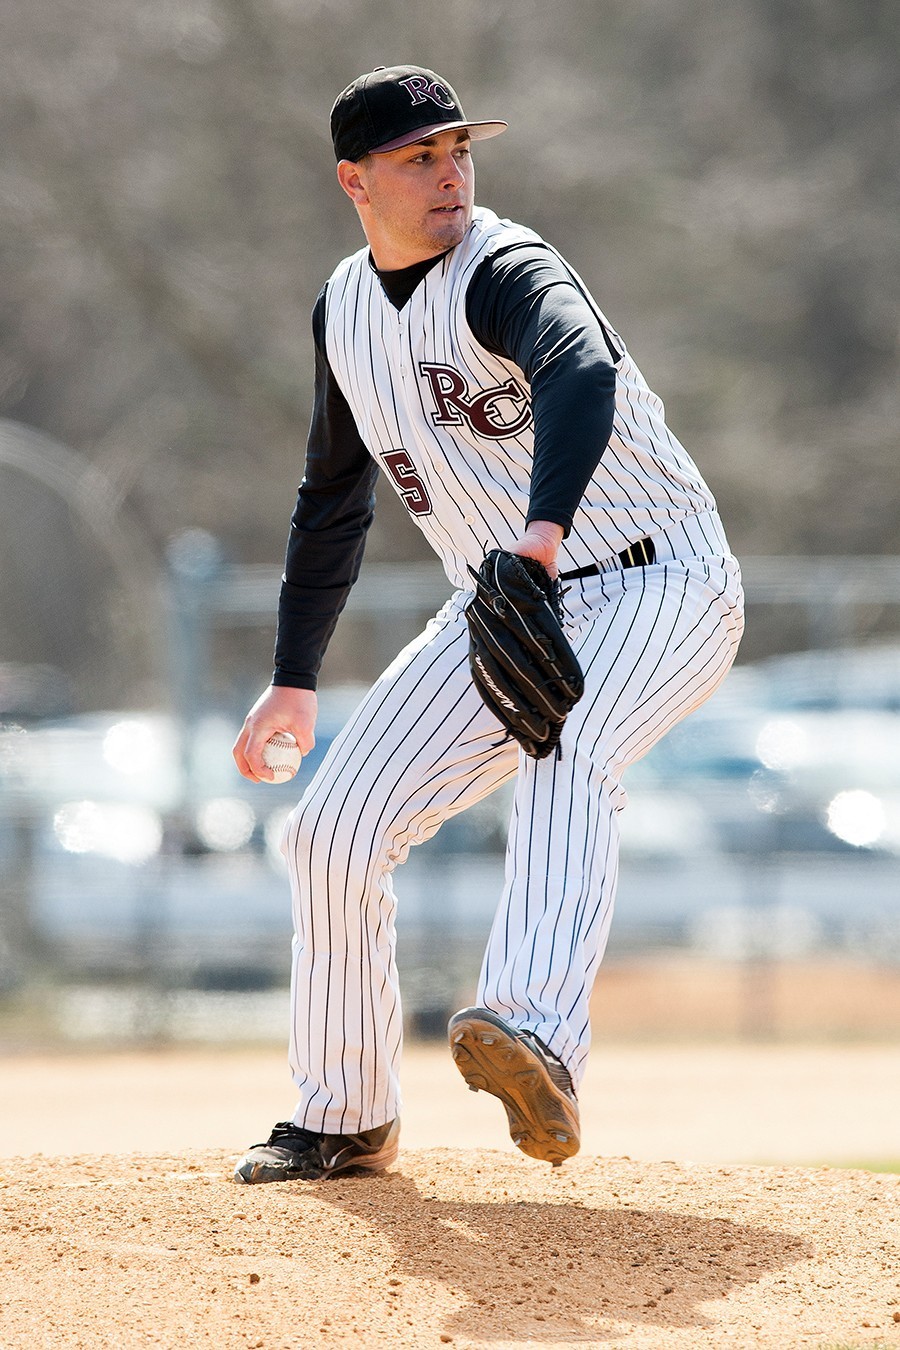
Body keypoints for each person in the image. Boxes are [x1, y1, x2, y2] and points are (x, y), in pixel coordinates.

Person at [231, 64, 745, 1184]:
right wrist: (294, 676)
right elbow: (333, 499)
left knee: (566, 739)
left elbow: (579, 372)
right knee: (333, 832)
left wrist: (543, 532)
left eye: (460, 149)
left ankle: (536, 1031)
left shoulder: (506, 268)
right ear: (354, 182)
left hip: (662, 577)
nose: (450, 172)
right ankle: (344, 1116)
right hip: (508, 599)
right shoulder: (346, 312)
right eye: (419, 156)